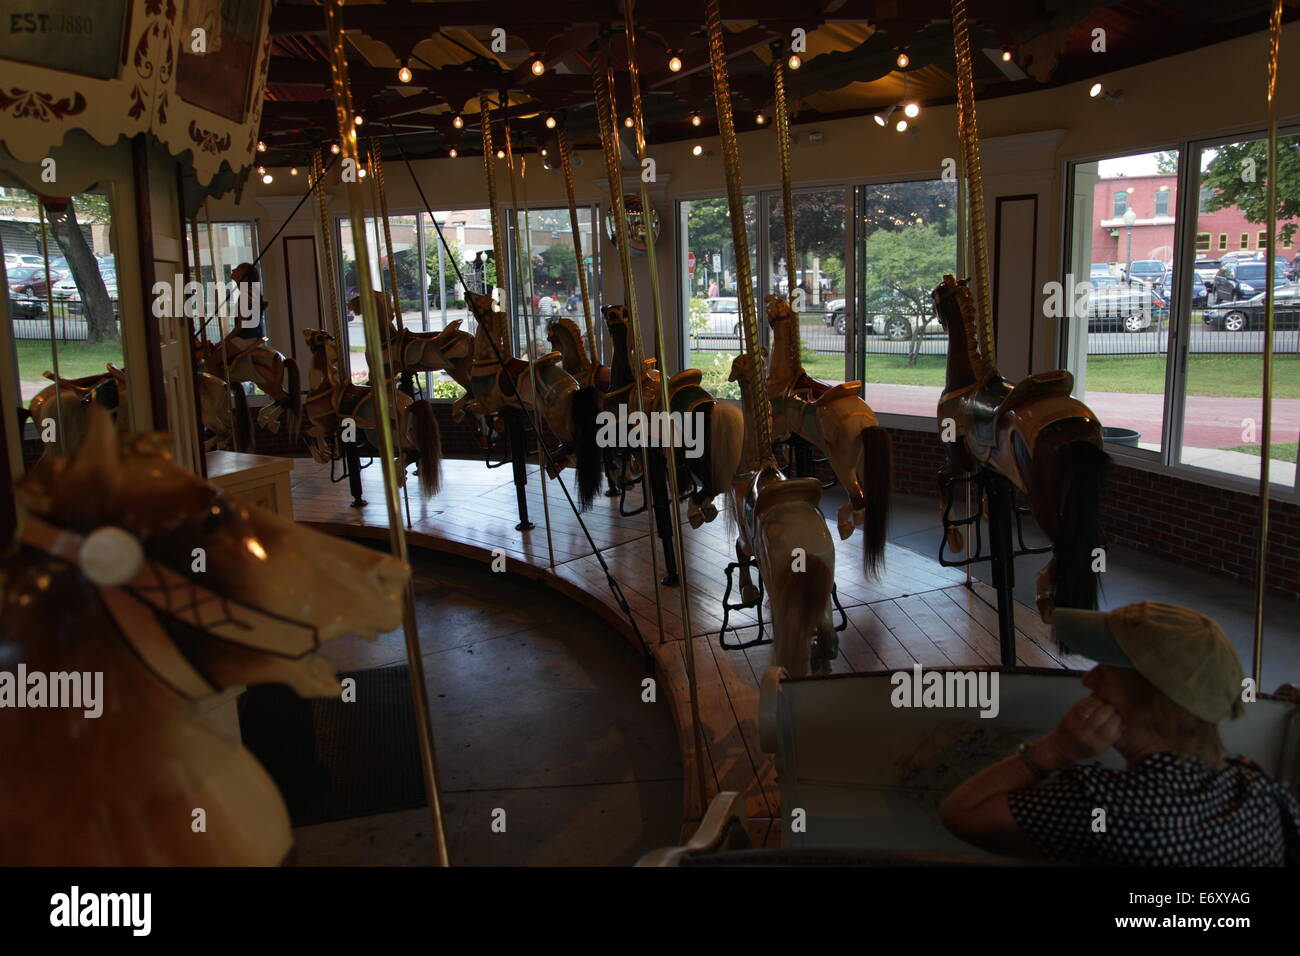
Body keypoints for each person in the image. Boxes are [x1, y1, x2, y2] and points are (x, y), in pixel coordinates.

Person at [939, 602, 1300, 865]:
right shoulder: (1258, 792)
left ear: (1152, 703)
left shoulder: (1103, 806)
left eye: (1106, 673)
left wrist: (1054, 750)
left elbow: (962, 814)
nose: (1088, 679)